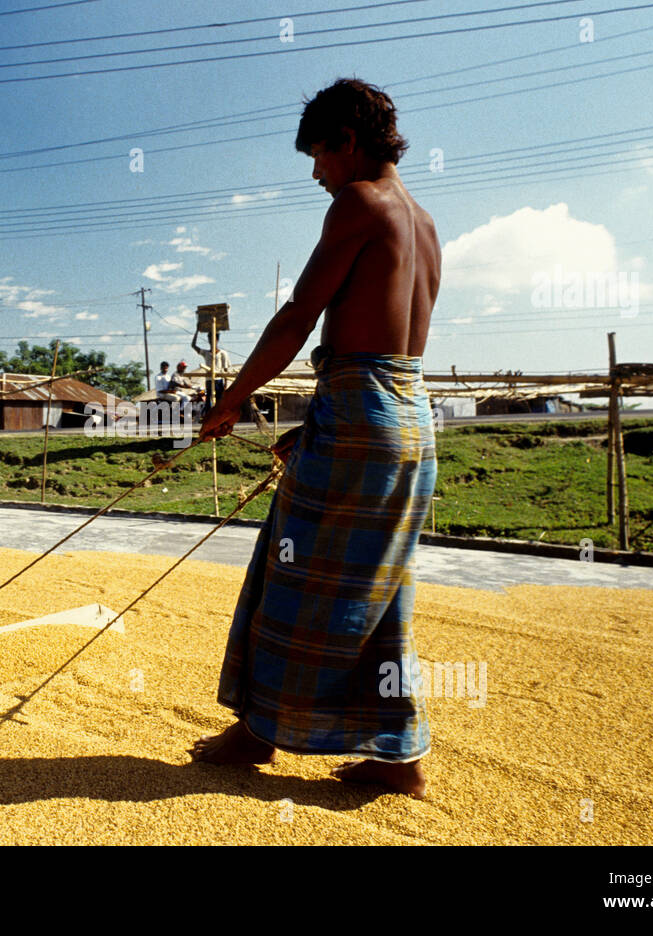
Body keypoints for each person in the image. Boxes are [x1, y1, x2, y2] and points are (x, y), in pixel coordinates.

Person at [191, 77, 442, 800]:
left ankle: (256, 733)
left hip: (363, 410)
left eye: (319, 155)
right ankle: (398, 757)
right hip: (408, 415)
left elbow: (300, 316)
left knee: (289, 569)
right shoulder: (422, 220)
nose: (316, 173)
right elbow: (380, 357)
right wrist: (322, 416)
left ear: (348, 142)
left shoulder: (359, 203)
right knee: (377, 588)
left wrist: (231, 401)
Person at [190, 330, 231, 408]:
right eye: (210, 339)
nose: (211, 341)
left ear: (217, 340)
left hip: (218, 380)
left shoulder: (223, 353)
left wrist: (226, 384)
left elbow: (226, 370)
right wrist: (197, 332)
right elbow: (193, 345)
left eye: (213, 338)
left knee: (220, 401)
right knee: (208, 401)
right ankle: (208, 416)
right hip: (209, 380)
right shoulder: (205, 353)